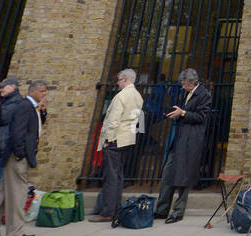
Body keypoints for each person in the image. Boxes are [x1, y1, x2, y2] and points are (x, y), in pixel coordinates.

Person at [0, 79, 46, 236]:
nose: (44, 94)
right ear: (32, 91)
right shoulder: (25, 106)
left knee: (2, 195)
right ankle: (14, 233)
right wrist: (20, 154)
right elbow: (17, 132)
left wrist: (43, 113)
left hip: (16, 155)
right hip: (17, 157)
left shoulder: (33, 107)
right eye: (42, 91)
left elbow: (33, 129)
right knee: (17, 195)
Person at [155, 69, 211, 223]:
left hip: (190, 141)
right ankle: (161, 209)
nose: (182, 86)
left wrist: (183, 113)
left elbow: (202, 116)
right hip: (179, 139)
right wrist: (178, 113)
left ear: (192, 82)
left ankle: (178, 212)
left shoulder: (204, 95)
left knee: (183, 177)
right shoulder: (186, 93)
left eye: (184, 83)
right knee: (167, 174)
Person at [90, 69, 143, 223]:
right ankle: (116, 208)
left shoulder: (121, 96)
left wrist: (108, 139)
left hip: (116, 139)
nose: (118, 83)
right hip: (127, 139)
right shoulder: (137, 96)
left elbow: (113, 120)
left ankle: (108, 212)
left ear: (125, 79)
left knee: (111, 177)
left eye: (119, 80)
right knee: (118, 176)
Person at [0, 77, 23, 204]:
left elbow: (1, 118)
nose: (0, 90)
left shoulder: (15, 103)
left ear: (13, 87)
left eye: (3, 87)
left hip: (2, 145)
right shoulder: (6, 101)